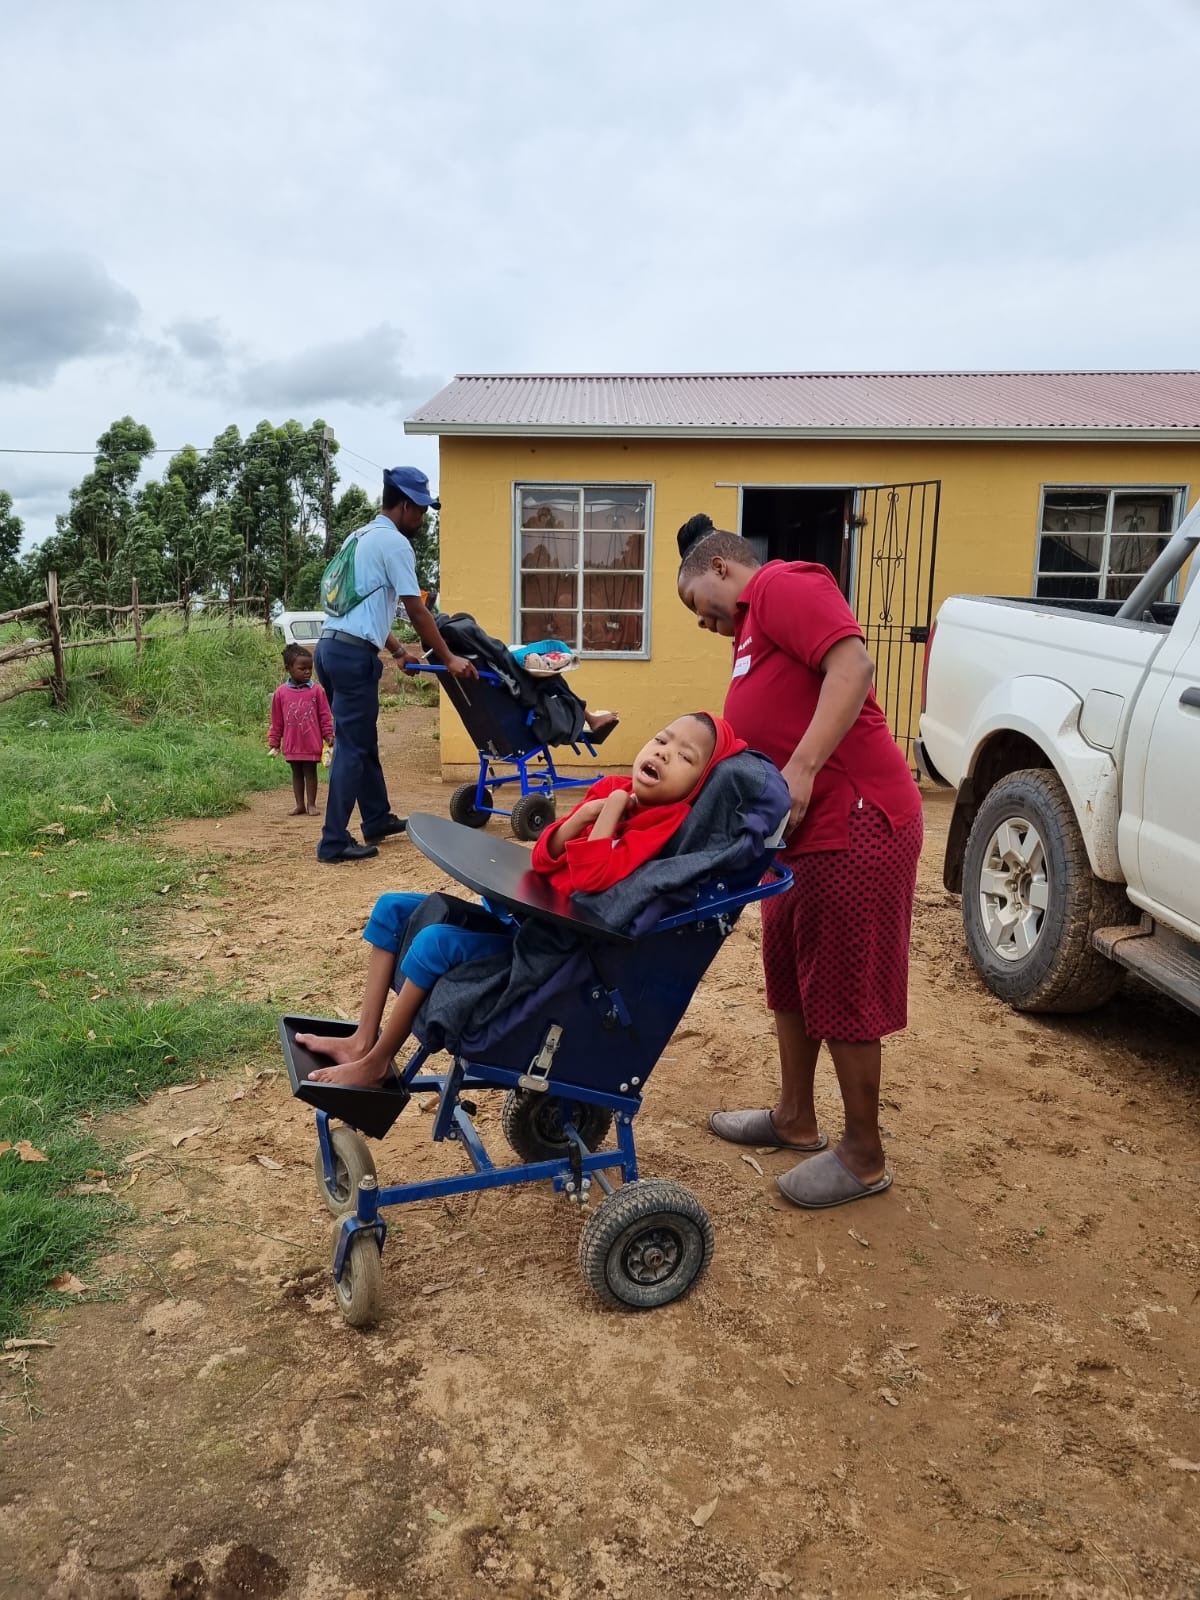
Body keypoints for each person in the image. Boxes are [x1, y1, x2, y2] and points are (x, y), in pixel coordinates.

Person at [676, 513, 923, 1210]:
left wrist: (806, 765)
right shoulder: (751, 634)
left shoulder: (783, 585)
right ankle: (795, 1117)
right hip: (798, 837)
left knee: (843, 983)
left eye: (698, 606)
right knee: (788, 970)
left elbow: (855, 665)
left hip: (857, 818)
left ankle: (864, 1154)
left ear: (722, 569)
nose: (703, 624)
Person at [296, 711, 744, 1087]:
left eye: (685, 757)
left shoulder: (663, 825)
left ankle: (377, 1063)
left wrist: (605, 819)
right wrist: (583, 816)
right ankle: (362, 1039)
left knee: (434, 943)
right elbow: (546, 858)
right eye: (662, 740)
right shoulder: (610, 788)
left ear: (696, 785)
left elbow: (591, 881)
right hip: (525, 912)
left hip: (550, 944)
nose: (665, 752)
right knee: (392, 908)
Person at [314, 466, 478, 864]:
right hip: (353, 657)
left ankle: (376, 817)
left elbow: (363, 607)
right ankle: (333, 841)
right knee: (352, 748)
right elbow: (416, 608)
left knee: (362, 741)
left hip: (330, 648)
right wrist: (448, 656)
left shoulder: (359, 536)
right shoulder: (395, 544)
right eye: (420, 510)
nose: (422, 518)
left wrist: (397, 651)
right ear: (404, 505)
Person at [268, 644, 334, 816]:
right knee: (296, 774)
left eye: (309, 668)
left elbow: (325, 715)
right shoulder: (280, 693)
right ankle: (300, 805)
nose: (307, 672)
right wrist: (274, 742)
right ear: (288, 669)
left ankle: (311, 804)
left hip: (311, 742)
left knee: (310, 773)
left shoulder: (317, 691)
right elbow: (276, 721)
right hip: (292, 743)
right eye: (302, 668)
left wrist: (328, 734)